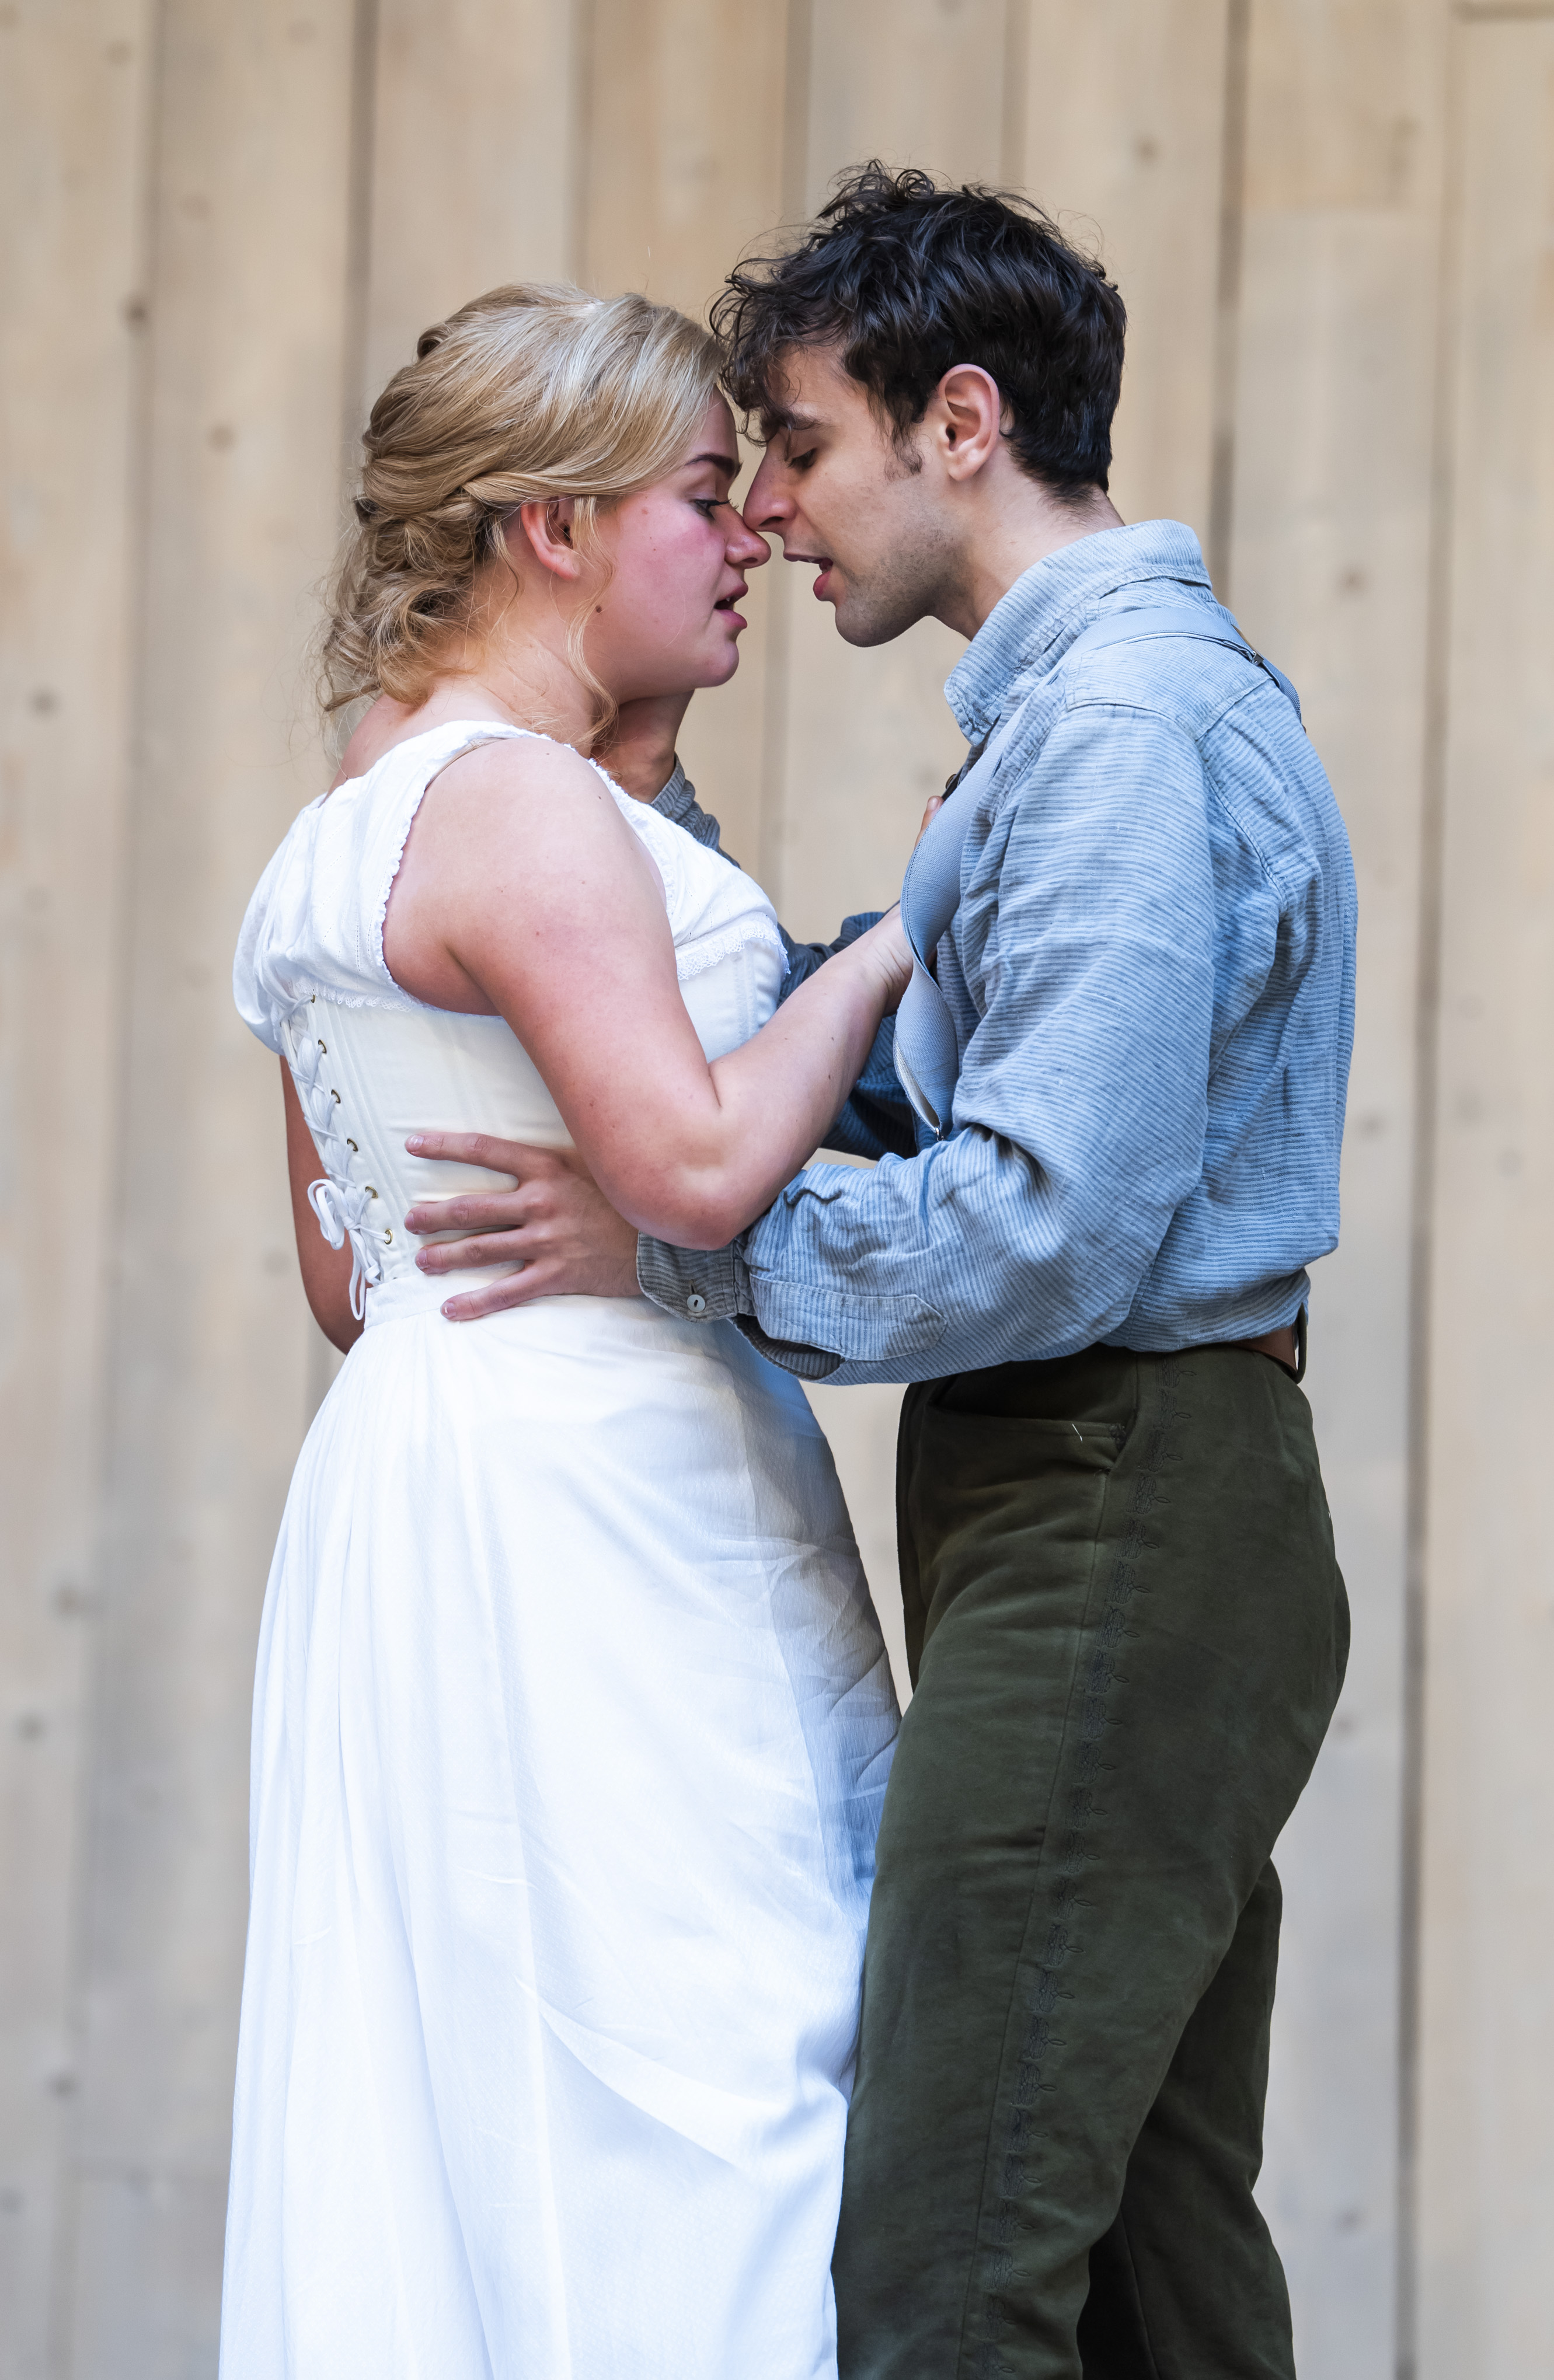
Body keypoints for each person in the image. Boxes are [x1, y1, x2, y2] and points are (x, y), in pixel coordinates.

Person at [417, 170, 1357, 2379]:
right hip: (1112, 1498)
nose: (771, 519)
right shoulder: (1072, 726)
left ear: (960, 423)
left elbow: (1040, 1218)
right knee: (1141, 2248)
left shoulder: (1125, 734)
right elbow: (939, 1086)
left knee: (951, 2267)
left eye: (805, 451)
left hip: (1128, 1495)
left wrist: (682, 1244)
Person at [224, 282, 911, 2380]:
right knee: (709, 2059)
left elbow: (352, 1275)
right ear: (552, 524)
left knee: (473, 2066)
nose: (750, 539)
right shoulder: (521, 808)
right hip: (605, 1492)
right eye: (705, 495)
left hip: (424, 1469)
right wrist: (883, 958)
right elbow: (698, 1173)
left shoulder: (361, 795)